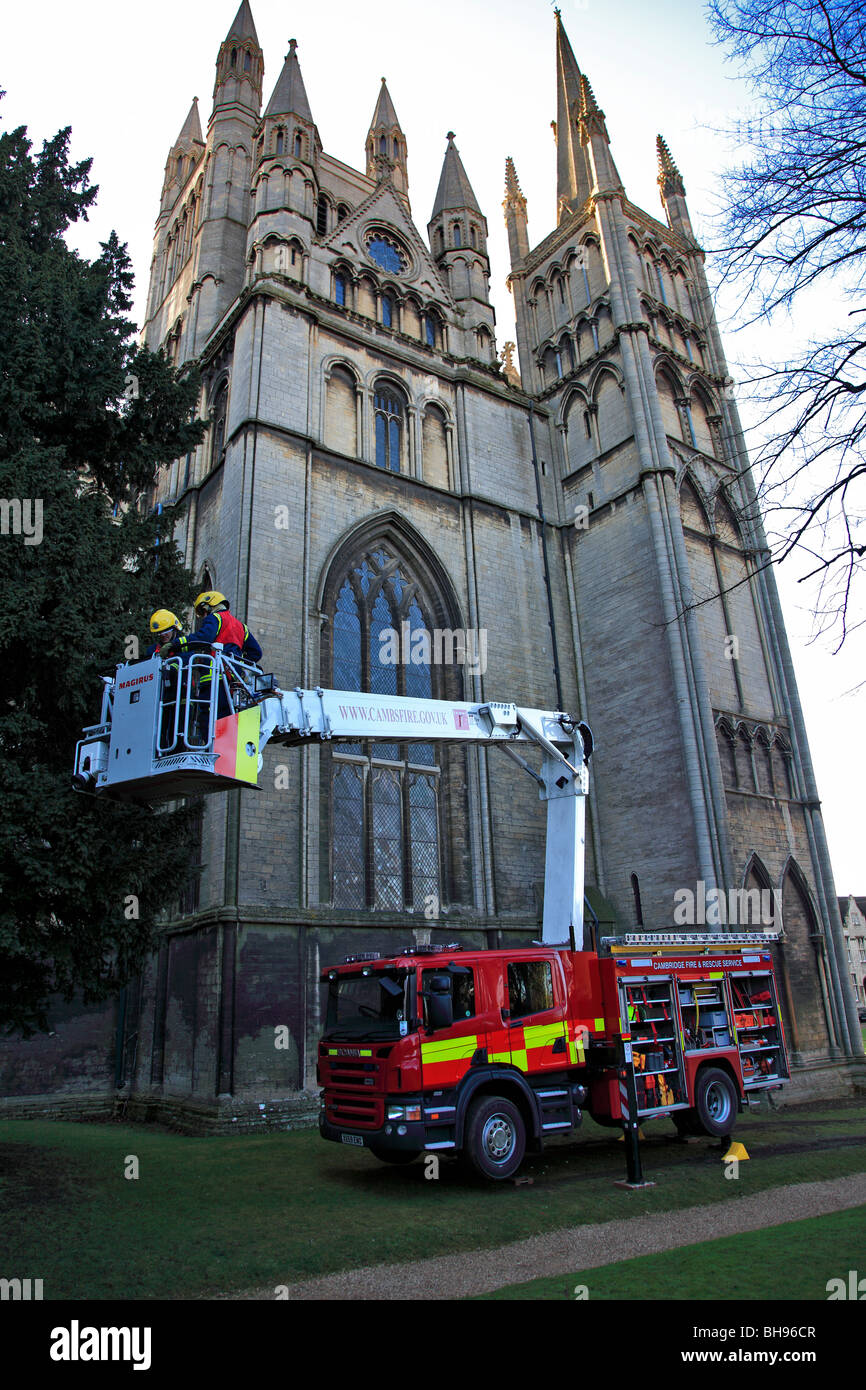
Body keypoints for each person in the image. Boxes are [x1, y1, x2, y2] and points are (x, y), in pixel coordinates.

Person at [163, 591, 262, 724]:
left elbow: (203, 638)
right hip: (233, 682)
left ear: (211, 605)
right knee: (227, 718)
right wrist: (238, 663)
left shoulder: (215, 618)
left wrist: (175, 645)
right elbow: (256, 653)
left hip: (213, 680)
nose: (204, 616)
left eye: (203, 611)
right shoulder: (241, 627)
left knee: (208, 720)